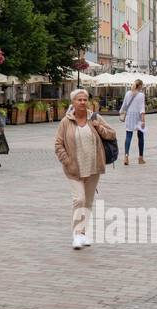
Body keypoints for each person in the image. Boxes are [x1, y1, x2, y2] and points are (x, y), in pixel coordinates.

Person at [53, 88, 117, 251]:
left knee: (87, 202)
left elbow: (112, 134)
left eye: (85, 99)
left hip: (93, 167)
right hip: (74, 168)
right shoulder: (65, 122)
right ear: (73, 102)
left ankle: (82, 233)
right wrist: (67, 161)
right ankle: (76, 234)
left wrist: (98, 127)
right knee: (79, 200)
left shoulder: (94, 117)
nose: (82, 102)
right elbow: (58, 144)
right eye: (79, 100)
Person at [119, 79, 147, 166]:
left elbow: (123, 105)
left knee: (128, 136)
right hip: (138, 117)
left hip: (129, 117)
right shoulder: (141, 95)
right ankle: (140, 158)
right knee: (140, 136)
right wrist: (143, 120)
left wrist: (121, 112)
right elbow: (142, 108)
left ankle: (126, 157)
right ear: (140, 86)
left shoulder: (128, 93)